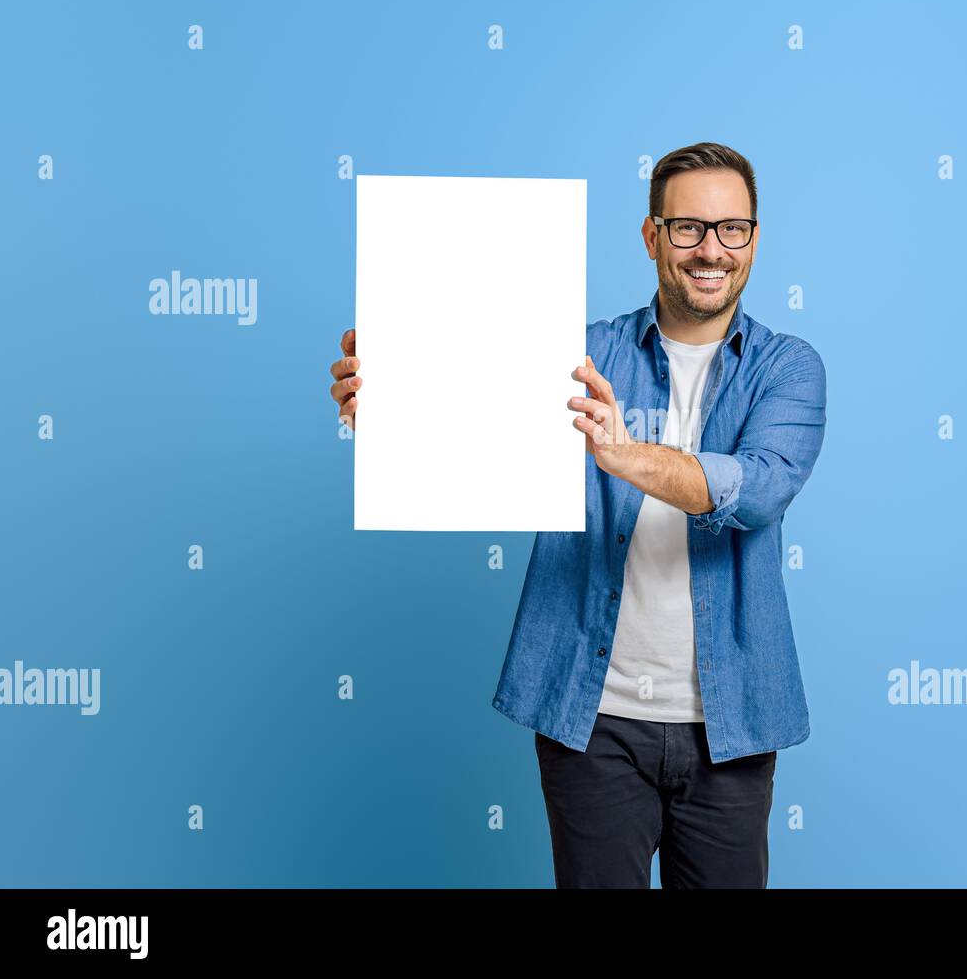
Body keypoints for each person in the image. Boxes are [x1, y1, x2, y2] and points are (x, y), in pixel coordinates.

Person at [329, 142, 827, 888]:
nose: (711, 250)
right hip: (592, 719)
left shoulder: (787, 367)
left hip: (732, 726)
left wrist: (626, 454)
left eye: (733, 229)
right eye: (688, 227)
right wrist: (387, 407)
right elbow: (478, 428)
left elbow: (757, 491)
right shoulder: (582, 355)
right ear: (652, 235)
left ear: (754, 238)